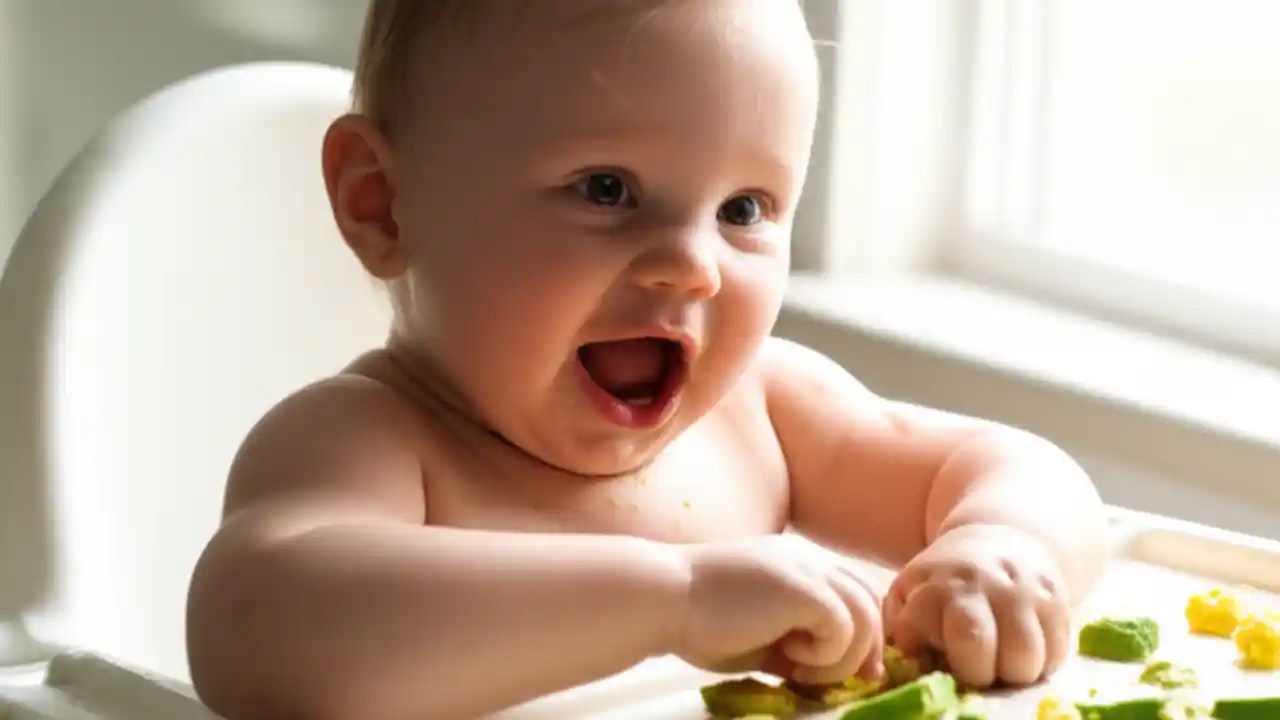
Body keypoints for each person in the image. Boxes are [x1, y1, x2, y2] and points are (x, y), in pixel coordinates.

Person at [186, 2, 1108, 718]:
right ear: (383, 205)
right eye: (607, 190)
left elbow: (1018, 468)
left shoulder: (763, 413)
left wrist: (1002, 548)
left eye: (744, 209)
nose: (693, 266)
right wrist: (671, 599)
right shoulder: (372, 442)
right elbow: (259, 630)